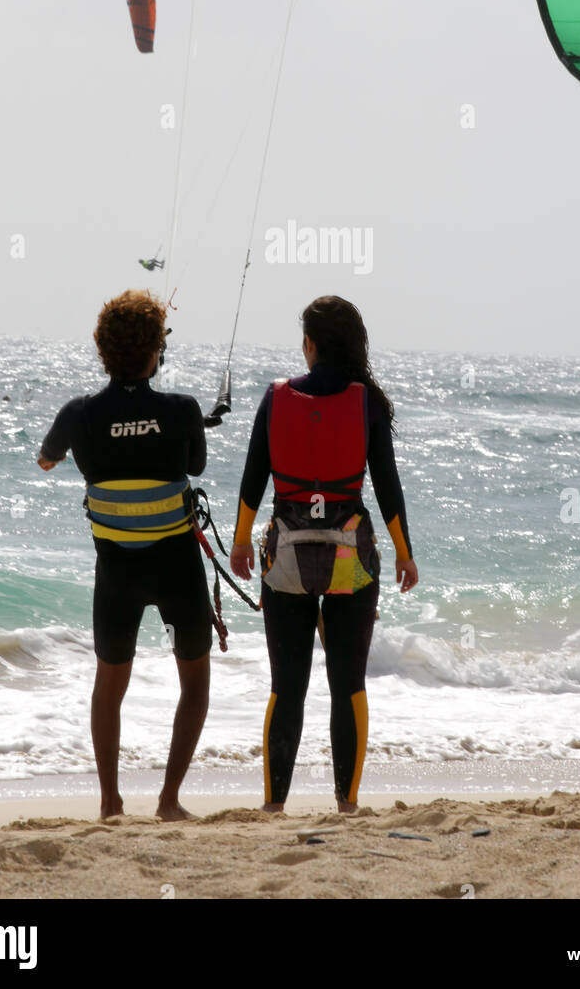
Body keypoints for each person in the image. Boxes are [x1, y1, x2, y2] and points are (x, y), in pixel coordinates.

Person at [230, 295, 418, 814]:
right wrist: (405, 554)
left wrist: (242, 540)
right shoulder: (367, 404)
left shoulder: (274, 398)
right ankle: (348, 804)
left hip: (285, 557)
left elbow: (252, 480)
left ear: (310, 345)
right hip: (350, 561)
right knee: (347, 685)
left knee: (286, 686)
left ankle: (273, 805)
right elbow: (387, 487)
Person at [37, 289, 211, 821]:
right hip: (177, 565)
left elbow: (45, 462)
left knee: (109, 684)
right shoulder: (182, 411)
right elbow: (197, 468)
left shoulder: (79, 414)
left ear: (102, 351)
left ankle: (110, 802)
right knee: (196, 682)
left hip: (117, 570)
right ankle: (168, 801)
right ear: (157, 350)